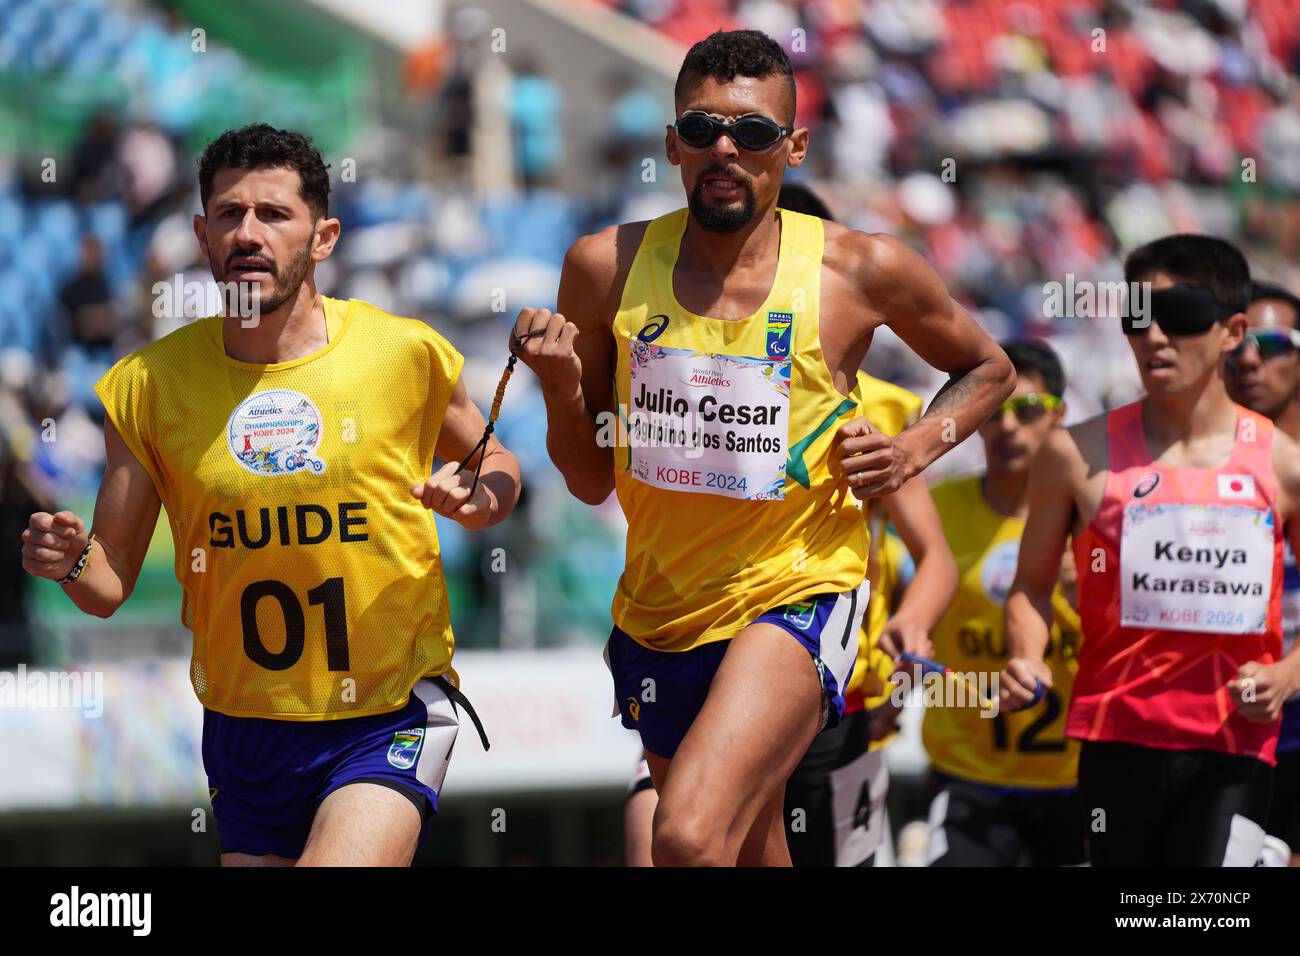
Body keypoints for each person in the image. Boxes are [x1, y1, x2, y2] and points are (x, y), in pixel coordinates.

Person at [517, 29, 1013, 866]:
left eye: (752, 133)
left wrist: (913, 449)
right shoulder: (604, 266)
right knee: (750, 846)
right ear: (670, 141)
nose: (725, 149)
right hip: (660, 608)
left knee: (684, 836)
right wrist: (563, 390)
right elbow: (590, 478)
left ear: (794, 144)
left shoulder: (860, 271)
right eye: (703, 127)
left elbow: (989, 369)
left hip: (799, 590)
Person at [20, 124, 520, 867]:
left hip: (388, 711)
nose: (248, 233)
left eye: (274, 214)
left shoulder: (402, 354)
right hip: (245, 728)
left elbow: (497, 461)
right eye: (229, 215)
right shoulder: (147, 387)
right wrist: (66, 560)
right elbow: (107, 583)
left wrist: (481, 498)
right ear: (201, 235)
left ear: (323, 237)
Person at [1002, 235, 1300, 866]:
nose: (1155, 336)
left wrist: (1287, 674)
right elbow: (1030, 586)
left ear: (1232, 331)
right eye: (1138, 316)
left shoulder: (1283, 463)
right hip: (1117, 738)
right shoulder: (1074, 454)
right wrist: (1026, 656)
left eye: (1182, 316)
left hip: (1234, 747)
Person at [923, 339, 1086, 867]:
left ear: (1059, 415)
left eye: (1028, 409)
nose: (1008, 427)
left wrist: (1088, 589)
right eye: (993, 411)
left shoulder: (1099, 519)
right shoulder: (937, 511)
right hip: (970, 777)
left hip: (1080, 781)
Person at [1224, 279, 1300, 866]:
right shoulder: (1184, 464)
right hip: (1221, 725)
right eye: (1238, 343)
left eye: (1273, 343)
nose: (1251, 359)